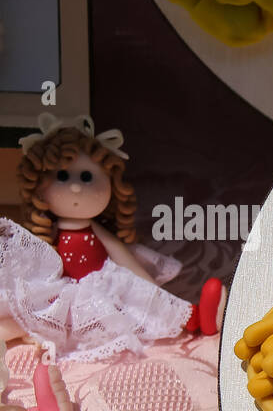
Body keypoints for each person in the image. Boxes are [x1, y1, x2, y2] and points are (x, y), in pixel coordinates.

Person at [1, 114, 226, 363]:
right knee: (28, 316)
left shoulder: (98, 232)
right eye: (63, 177)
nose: (76, 188)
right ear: (39, 189)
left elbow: (124, 258)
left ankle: (197, 318)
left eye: (86, 177)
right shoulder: (47, 238)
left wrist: (151, 289)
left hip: (105, 289)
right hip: (65, 295)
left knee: (143, 311)